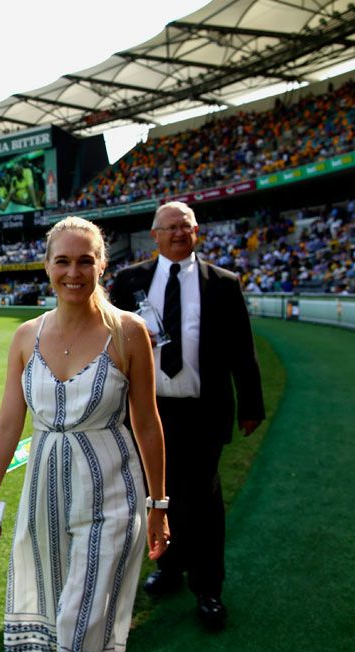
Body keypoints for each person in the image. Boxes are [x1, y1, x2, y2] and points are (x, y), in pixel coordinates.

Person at [0, 216, 170, 652]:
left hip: (113, 495)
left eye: (85, 261)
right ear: (47, 266)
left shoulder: (129, 332)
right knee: (57, 611)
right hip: (44, 496)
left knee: (81, 625)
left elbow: (148, 423)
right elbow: (7, 424)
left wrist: (158, 505)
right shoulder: (27, 336)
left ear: (102, 265)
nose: (73, 273)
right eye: (62, 261)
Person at [110, 201, 264, 629]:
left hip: (202, 411)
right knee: (158, 495)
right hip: (146, 412)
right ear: (154, 235)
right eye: (170, 227)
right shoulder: (129, 281)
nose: (179, 233)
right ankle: (169, 567)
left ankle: (208, 586)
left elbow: (242, 349)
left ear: (196, 233)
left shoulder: (223, 283)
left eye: (186, 226)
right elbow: (109, 343)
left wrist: (251, 405)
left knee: (205, 501)